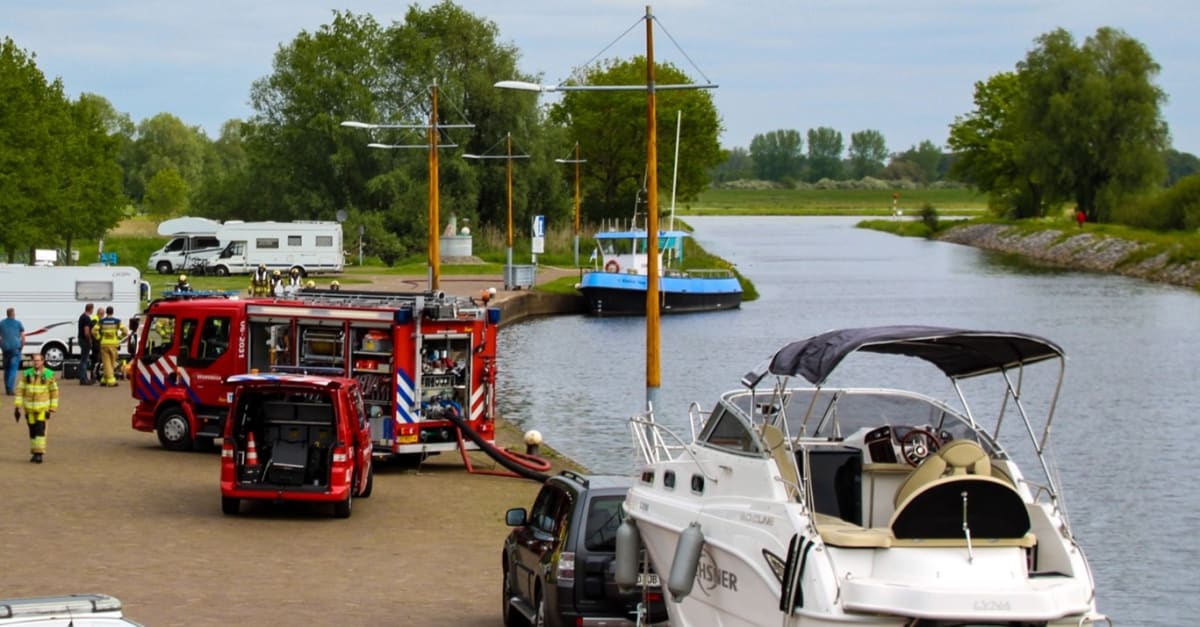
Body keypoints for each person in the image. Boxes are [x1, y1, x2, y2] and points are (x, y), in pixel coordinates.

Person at [15, 352, 57, 463]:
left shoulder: (49, 374)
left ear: (43, 361)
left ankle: (39, 454)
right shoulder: (26, 373)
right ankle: (34, 452)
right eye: (35, 360)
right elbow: (20, 390)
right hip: (29, 409)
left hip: (42, 409)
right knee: (32, 432)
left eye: (38, 360)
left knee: (40, 431)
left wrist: (52, 408)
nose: (36, 362)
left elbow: (54, 392)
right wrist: (17, 407)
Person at [97, 306, 129, 387]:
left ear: (106, 312)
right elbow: (125, 331)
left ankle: (105, 379)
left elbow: (94, 330)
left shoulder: (101, 321)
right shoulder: (117, 321)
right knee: (111, 362)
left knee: (106, 362)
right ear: (112, 312)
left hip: (104, 344)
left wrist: (99, 337)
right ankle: (111, 381)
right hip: (114, 344)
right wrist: (119, 337)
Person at [0, 307, 25, 395]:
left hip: (5, 348)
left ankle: (7, 387)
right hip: (15, 348)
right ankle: (10, 389)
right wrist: (21, 347)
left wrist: (2, 345)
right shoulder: (18, 323)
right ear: (13, 314)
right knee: (13, 369)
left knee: (6, 369)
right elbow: (23, 337)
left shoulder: (1, 323)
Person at [77, 304, 96, 386]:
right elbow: (86, 332)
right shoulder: (87, 318)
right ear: (91, 309)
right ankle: (84, 379)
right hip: (85, 340)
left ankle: (83, 378)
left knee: (83, 359)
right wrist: (90, 340)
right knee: (84, 360)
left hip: (80, 339)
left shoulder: (82, 316)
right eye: (92, 309)